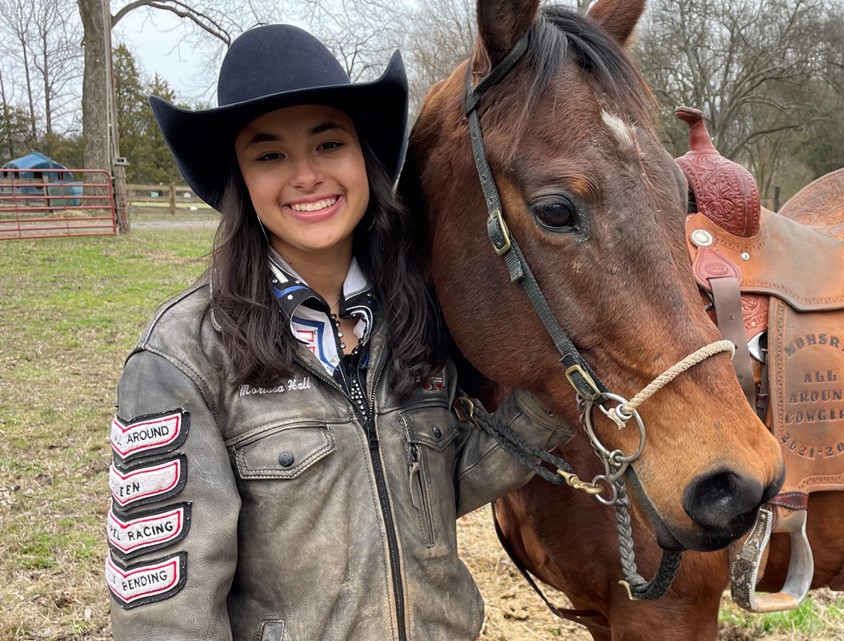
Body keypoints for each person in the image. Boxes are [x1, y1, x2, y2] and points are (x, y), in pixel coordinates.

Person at [105, 24, 573, 641]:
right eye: (269, 154)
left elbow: (432, 489)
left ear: (364, 159)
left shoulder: (414, 314)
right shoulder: (181, 357)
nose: (305, 175)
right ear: (240, 181)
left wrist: (550, 400)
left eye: (328, 144)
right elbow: (164, 618)